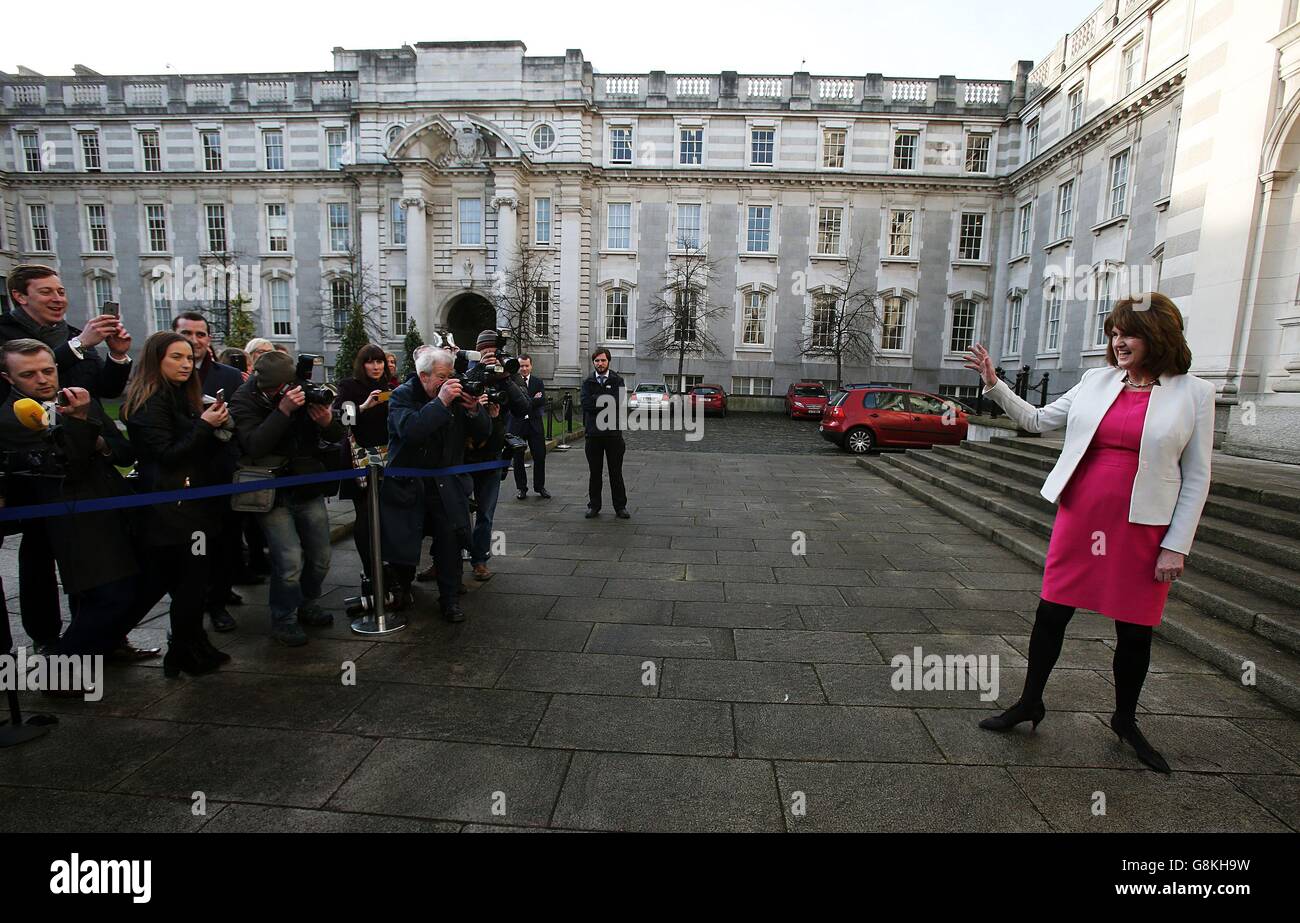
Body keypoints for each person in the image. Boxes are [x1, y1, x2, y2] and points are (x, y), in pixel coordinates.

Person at [964, 293, 1214, 774]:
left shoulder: (1194, 394)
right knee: (1051, 613)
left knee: (1135, 629)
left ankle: (1124, 719)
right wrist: (994, 384)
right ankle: (1030, 702)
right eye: (1114, 334)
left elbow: (1197, 475)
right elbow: (1037, 423)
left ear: (1157, 336)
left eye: (1129, 333)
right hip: (1082, 517)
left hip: (1144, 526)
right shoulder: (1095, 381)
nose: (1119, 342)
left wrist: (1175, 546)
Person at [1, 264, 134, 653]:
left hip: (86, 478)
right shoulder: (11, 336)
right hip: (36, 482)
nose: (58, 298)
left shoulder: (77, 335)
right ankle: (48, 640)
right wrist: (77, 348)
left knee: (94, 574)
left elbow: (104, 390)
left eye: (61, 291)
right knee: (39, 561)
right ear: (20, 296)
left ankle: (96, 637)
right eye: (47, 292)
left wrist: (117, 356)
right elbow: (29, 385)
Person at [122, 332, 232, 677]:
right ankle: (183, 651)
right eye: (176, 357)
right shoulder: (150, 402)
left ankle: (191, 645)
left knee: (194, 583)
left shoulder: (181, 396)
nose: (186, 364)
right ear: (156, 360)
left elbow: (196, 451)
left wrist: (217, 428)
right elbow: (167, 456)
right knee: (186, 583)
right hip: (170, 510)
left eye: (189, 358)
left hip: (190, 504)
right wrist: (204, 425)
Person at [229, 351, 345, 646]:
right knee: (289, 560)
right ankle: (284, 618)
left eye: (287, 386)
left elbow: (336, 434)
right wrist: (282, 410)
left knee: (320, 557)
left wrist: (326, 419)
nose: (285, 391)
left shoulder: (301, 389)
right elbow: (254, 445)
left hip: (305, 483)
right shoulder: (244, 399)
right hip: (271, 489)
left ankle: (307, 602)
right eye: (278, 389)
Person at [383, 348, 489, 621]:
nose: (447, 382)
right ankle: (402, 590)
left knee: (450, 542)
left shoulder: (452, 396)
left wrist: (475, 410)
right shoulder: (402, 396)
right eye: (441, 376)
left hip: (445, 483)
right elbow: (411, 431)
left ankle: (450, 599)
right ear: (423, 376)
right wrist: (440, 403)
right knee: (404, 543)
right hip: (408, 484)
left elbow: (483, 432)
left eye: (450, 375)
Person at [172, 311, 252, 633]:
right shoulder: (167, 378)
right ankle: (201, 600)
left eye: (201, 334)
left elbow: (241, 425)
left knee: (227, 541)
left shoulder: (229, 377)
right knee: (195, 546)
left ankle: (219, 596)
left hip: (221, 472)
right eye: (187, 334)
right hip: (184, 476)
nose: (195, 341)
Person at [462, 330, 529, 581]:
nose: (490, 355)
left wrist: (505, 377)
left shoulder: (507, 371)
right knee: (454, 512)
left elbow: (523, 407)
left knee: (486, 513)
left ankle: (480, 560)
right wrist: (481, 369)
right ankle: (444, 558)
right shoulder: (467, 366)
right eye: (485, 350)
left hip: (491, 453)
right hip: (463, 455)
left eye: (493, 350)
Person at [332, 344, 392, 583]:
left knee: (384, 515)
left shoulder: (389, 386)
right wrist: (365, 406)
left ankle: (383, 564)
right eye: (370, 362)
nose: (376, 366)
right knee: (365, 515)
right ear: (361, 364)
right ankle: (370, 569)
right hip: (359, 458)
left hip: (386, 457)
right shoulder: (349, 386)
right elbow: (343, 419)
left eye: (379, 362)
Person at [580, 348, 629, 519]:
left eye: (603, 360)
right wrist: (605, 399)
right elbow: (586, 404)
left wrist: (598, 400)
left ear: (608, 361)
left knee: (616, 472)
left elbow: (617, 402)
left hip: (613, 434)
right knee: (595, 473)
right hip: (593, 435)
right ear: (593, 363)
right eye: (597, 361)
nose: (600, 364)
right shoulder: (587, 382)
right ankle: (594, 505)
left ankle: (620, 506)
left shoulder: (618, 381)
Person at [510, 354, 550, 500]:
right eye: (521, 366)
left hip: (534, 424)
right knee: (518, 458)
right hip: (517, 425)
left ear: (531, 366)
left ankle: (540, 487)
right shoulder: (511, 382)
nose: (524, 368)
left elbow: (542, 400)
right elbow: (514, 403)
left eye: (527, 365)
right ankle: (521, 488)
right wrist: (533, 400)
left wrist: (526, 401)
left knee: (540, 456)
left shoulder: (537, 382)